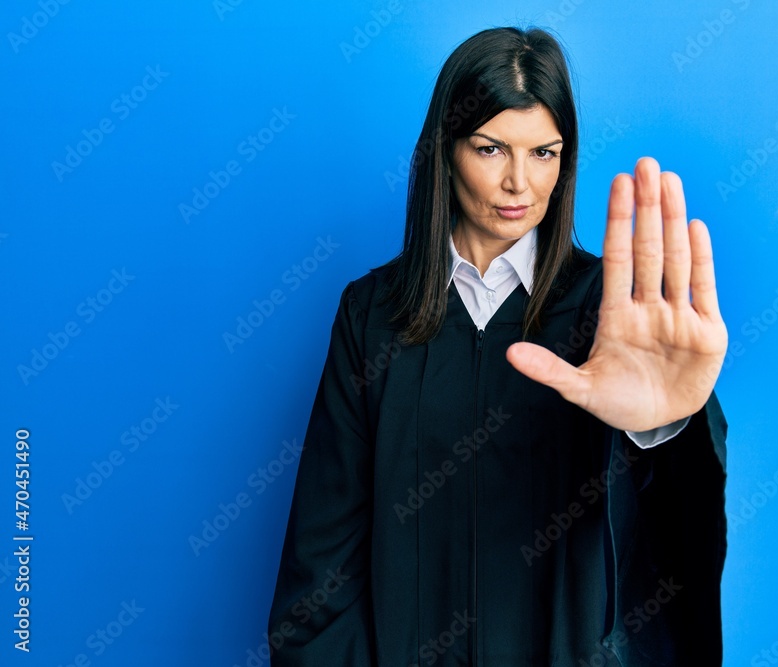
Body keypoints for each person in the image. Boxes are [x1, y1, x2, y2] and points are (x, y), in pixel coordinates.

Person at [267, 26, 729, 667]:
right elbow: (323, 561)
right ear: (445, 151)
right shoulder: (373, 315)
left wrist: (667, 426)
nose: (520, 183)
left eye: (544, 153)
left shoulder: (613, 312)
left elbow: (669, 548)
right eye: (491, 149)